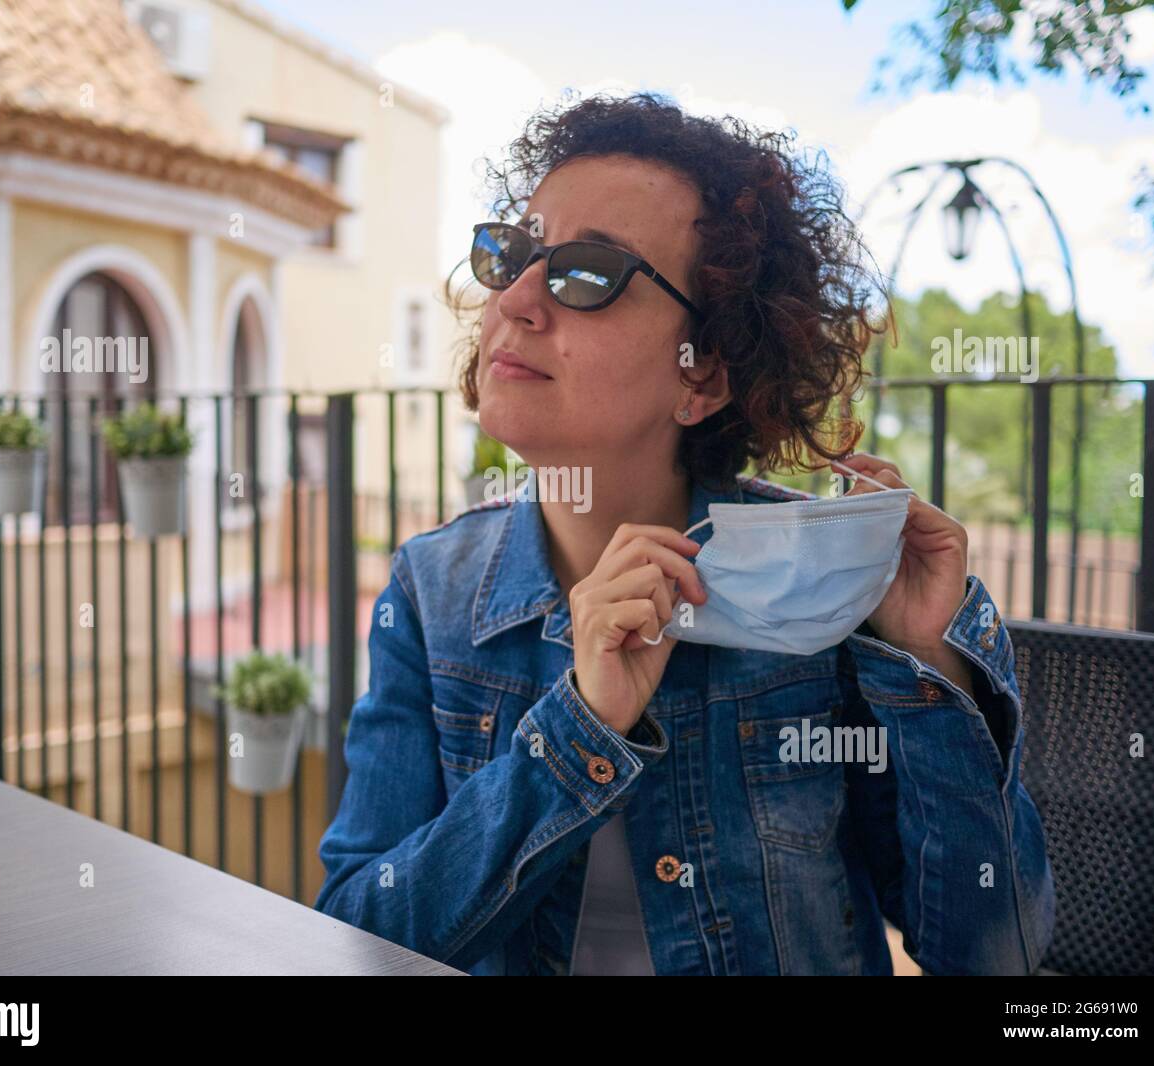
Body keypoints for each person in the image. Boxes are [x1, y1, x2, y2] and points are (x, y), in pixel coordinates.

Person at [313, 90, 1055, 976]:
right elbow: (358, 933)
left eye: (586, 272)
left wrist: (932, 668)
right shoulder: (431, 590)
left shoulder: (828, 582)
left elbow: (994, 954)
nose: (513, 299)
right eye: (511, 254)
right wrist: (581, 731)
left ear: (701, 376)